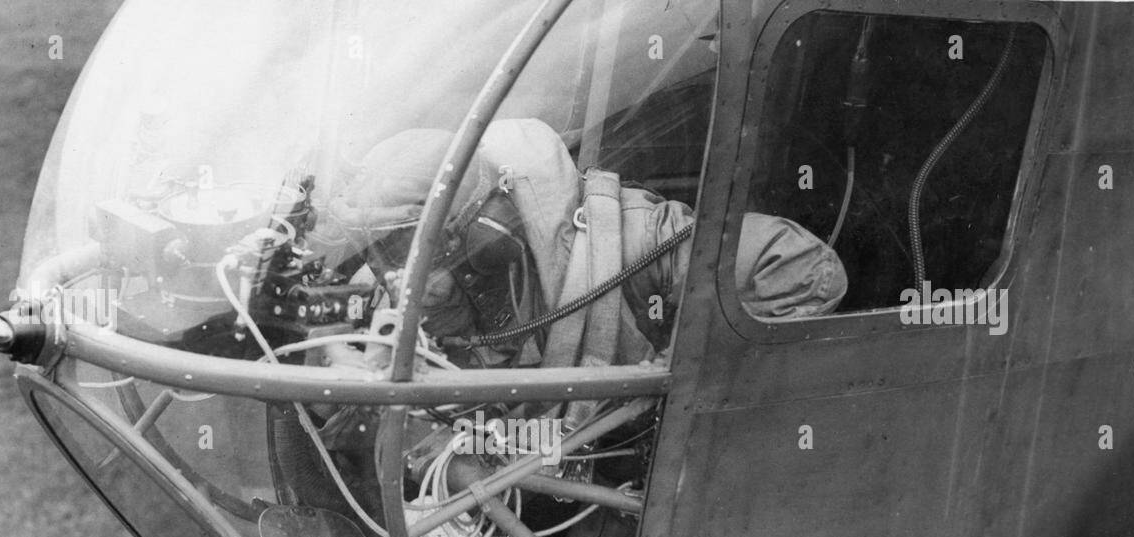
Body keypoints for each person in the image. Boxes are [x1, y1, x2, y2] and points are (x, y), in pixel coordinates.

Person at [328, 118, 848, 370]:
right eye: (385, 252)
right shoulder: (437, 286)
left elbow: (804, 267)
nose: (393, 269)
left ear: (489, 228)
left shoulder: (633, 241)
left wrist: (667, 380)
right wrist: (437, 322)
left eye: (404, 246)